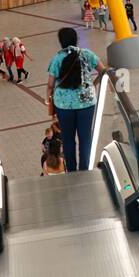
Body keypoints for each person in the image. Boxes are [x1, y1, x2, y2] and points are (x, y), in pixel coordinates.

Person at [46, 27, 106, 172]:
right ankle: (85, 169)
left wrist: (48, 99)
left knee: (67, 139)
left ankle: (72, 171)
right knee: (85, 138)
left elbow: (50, 84)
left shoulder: (57, 59)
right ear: (76, 39)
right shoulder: (86, 54)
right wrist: (93, 84)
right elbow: (103, 70)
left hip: (64, 106)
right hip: (86, 103)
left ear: (61, 41)